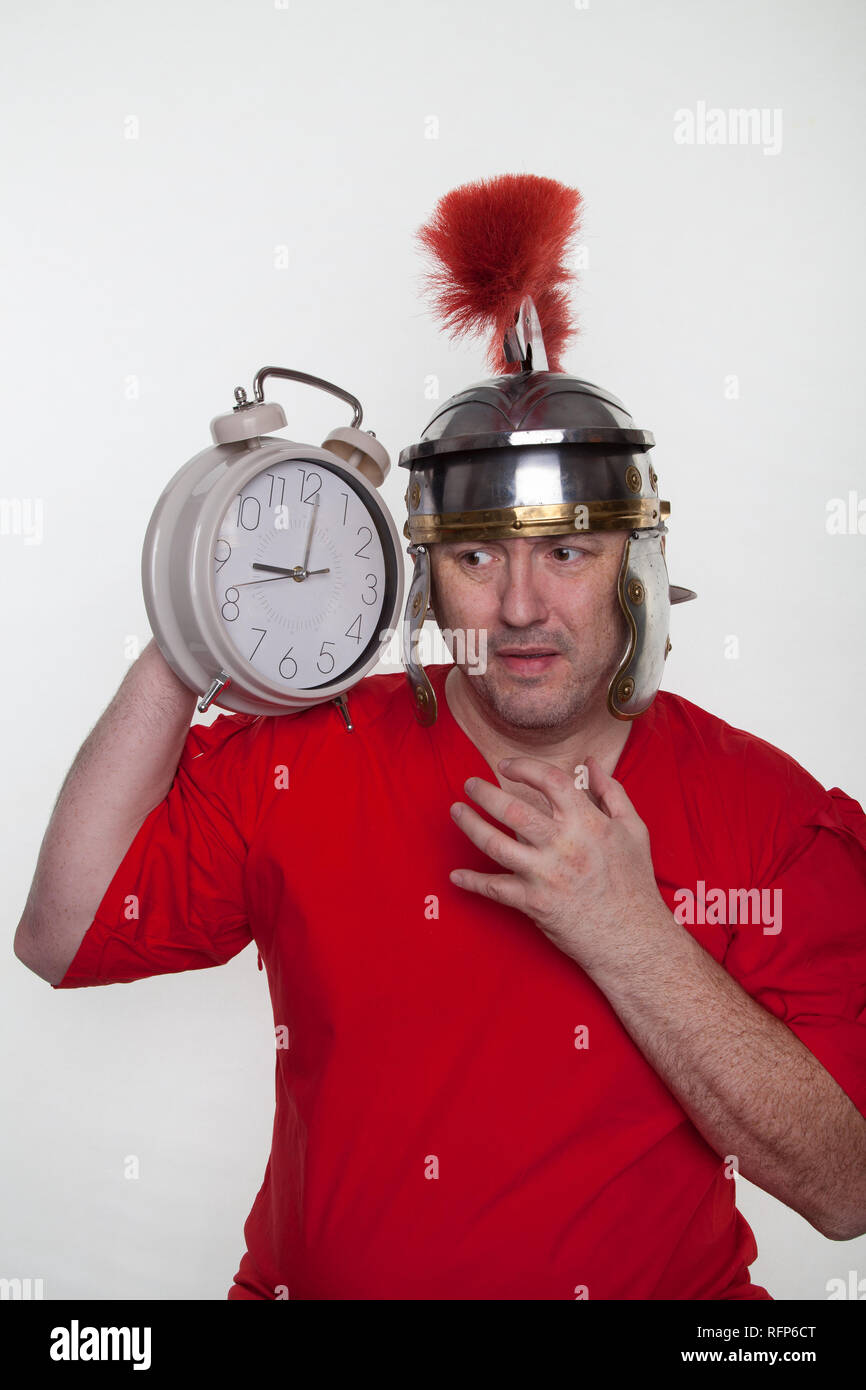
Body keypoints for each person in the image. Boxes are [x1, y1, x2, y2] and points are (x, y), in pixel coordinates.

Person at [14, 174, 866, 1300]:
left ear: (637, 570)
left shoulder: (768, 814)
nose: (517, 608)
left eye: (565, 553)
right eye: (475, 558)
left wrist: (626, 932)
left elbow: (844, 1188)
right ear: (422, 576)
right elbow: (62, 934)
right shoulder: (305, 756)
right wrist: (197, 618)